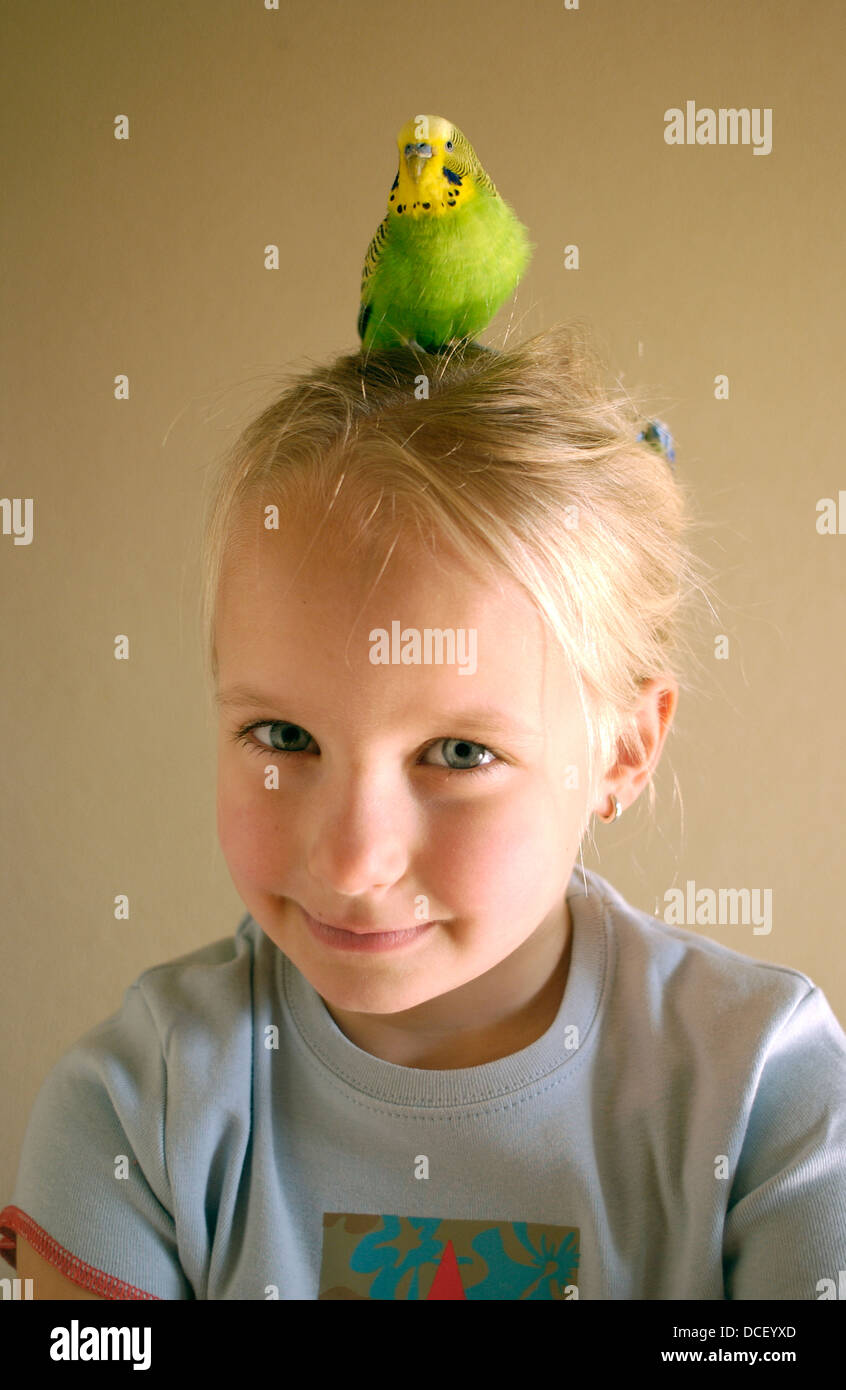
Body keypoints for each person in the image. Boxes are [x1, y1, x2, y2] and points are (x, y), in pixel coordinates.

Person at [3, 325, 845, 1300]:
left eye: (457, 754)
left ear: (623, 749)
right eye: (284, 737)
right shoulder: (134, 1111)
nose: (355, 858)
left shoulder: (763, 1099)